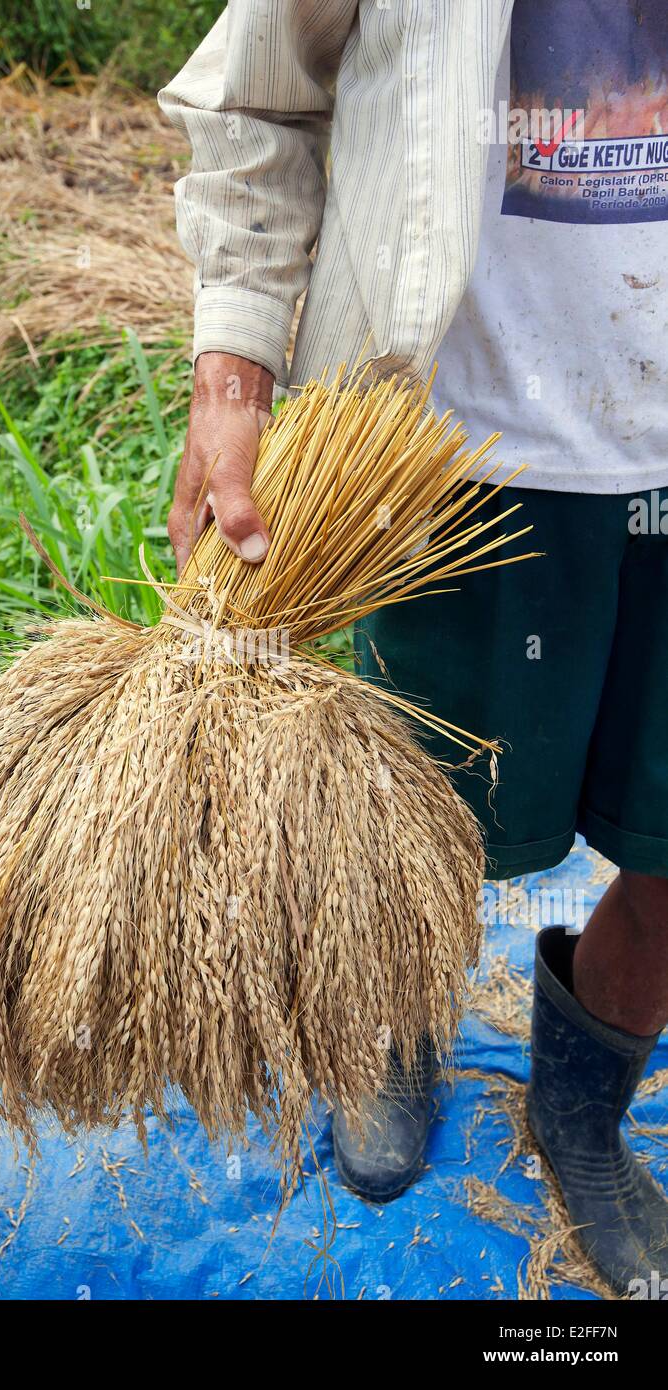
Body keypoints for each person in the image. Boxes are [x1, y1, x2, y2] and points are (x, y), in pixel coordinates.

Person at [159, 0, 668, 1296]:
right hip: (447, 456)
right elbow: (251, 97)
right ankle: (386, 1031)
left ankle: (581, 1110)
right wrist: (232, 382)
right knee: (417, 823)